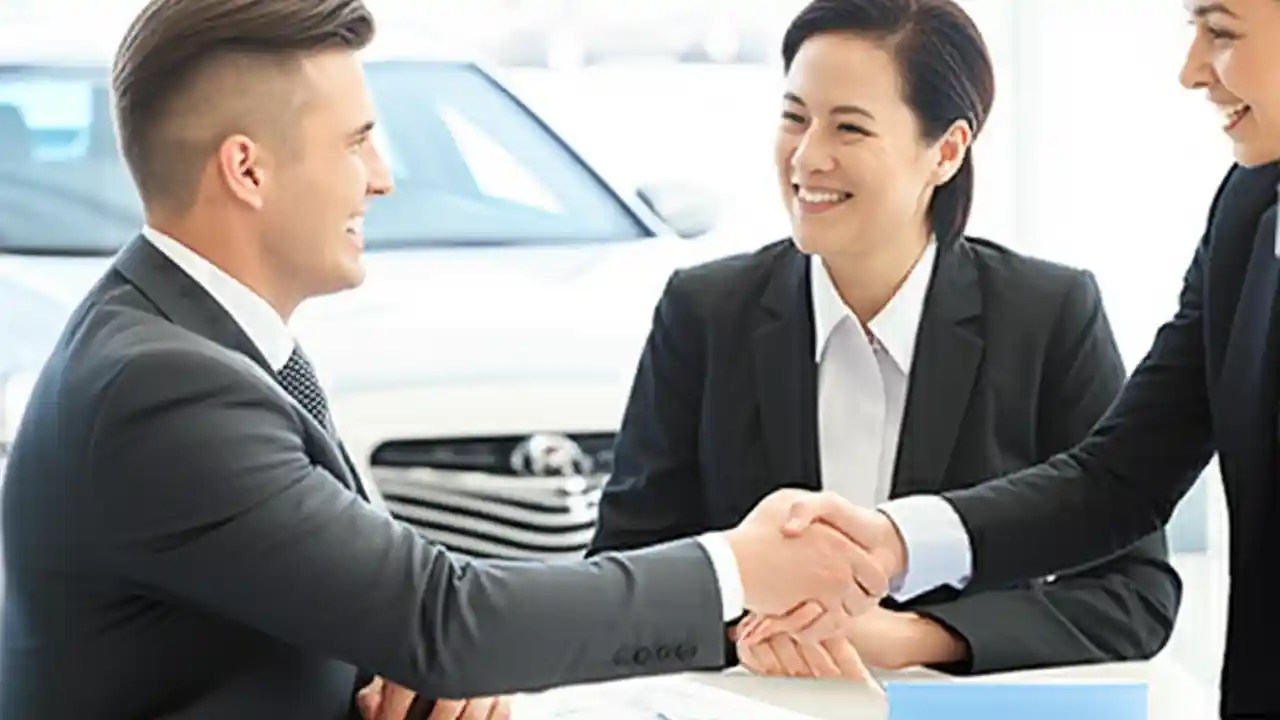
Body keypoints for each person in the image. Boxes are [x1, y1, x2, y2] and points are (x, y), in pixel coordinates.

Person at [0, 1, 890, 718]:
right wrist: (738, 568)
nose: (381, 176)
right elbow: (441, 613)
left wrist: (392, 666)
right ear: (247, 170)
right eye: (356, 142)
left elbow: (381, 608)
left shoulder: (189, 340)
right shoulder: (162, 387)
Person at [587, 0, 1181, 681]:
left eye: (850, 128)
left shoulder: (1047, 314)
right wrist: (743, 633)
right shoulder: (704, 311)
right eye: (794, 117)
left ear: (946, 151)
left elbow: (1135, 595)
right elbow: (624, 573)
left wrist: (916, 637)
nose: (808, 157)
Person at [758, 0, 1280, 716]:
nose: (1192, 71)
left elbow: (1133, 591)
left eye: (1220, 33)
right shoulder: (1251, 210)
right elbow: (1122, 477)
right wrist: (896, 541)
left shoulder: (1049, 307)